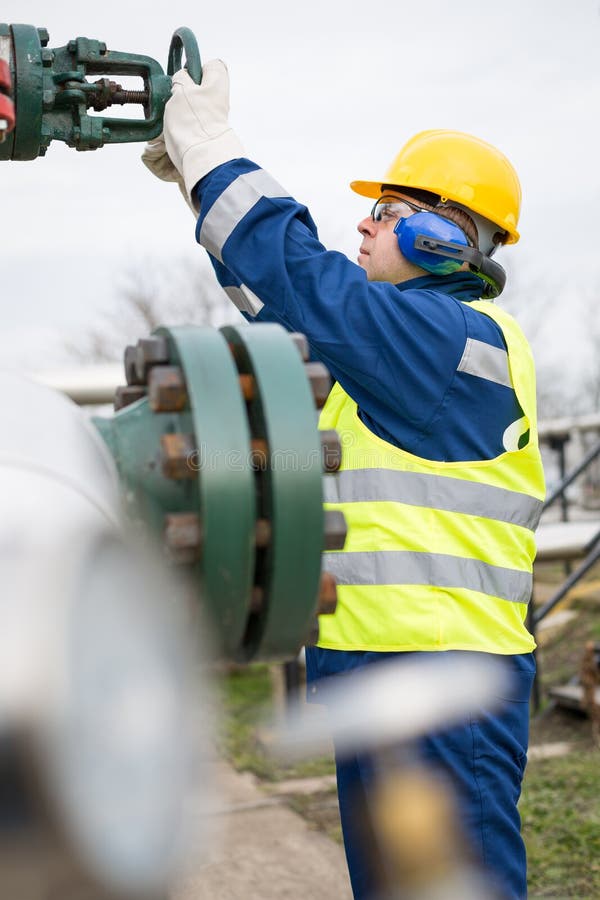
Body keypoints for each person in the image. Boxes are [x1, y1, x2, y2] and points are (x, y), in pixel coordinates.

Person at [143, 61, 545, 900]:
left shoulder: (453, 342)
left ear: (447, 238)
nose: (363, 227)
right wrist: (195, 180)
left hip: (440, 681)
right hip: (387, 673)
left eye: (389, 213)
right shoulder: (390, 362)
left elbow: (310, 287)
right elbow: (285, 303)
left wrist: (215, 148)